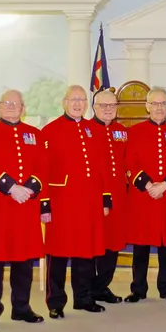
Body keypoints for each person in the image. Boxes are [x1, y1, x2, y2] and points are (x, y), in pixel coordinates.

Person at [0, 90, 47, 328]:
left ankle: (21, 308)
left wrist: (29, 188)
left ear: (23, 108)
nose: (12, 106)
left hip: (25, 205)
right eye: (7, 103)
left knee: (24, 261)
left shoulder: (34, 134)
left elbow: (42, 166)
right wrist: (11, 187)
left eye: (17, 104)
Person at [41, 85, 111, 317]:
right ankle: (55, 302)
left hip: (89, 202)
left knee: (86, 253)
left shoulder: (95, 130)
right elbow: (43, 170)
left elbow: (102, 167)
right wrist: (45, 203)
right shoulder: (50, 131)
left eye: (82, 100)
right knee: (58, 254)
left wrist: (105, 198)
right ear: (64, 103)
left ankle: (83, 298)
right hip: (62, 202)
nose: (78, 104)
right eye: (74, 100)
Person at [124, 87, 166, 303]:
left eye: (163, 104)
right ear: (147, 106)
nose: (159, 108)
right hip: (142, 197)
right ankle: (138, 288)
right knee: (140, 246)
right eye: (155, 103)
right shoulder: (134, 132)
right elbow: (130, 161)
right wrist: (148, 185)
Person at [89, 89, 129, 304]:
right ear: (94, 107)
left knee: (113, 243)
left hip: (119, 197)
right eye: (103, 105)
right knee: (94, 243)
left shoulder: (122, 131)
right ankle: (88, 289)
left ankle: (102, 286)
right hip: (93, 197)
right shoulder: (86, 130)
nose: (108, 109)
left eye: (112, 105)